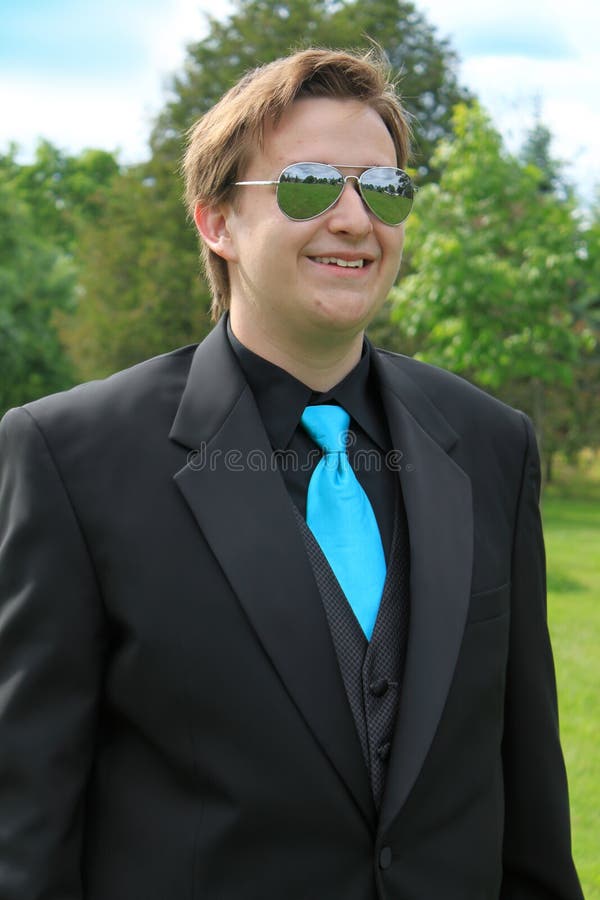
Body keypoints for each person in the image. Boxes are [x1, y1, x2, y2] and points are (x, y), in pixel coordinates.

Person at [0, 47, 583, 900]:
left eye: (384, 190)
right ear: (216, 223)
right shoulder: (68, 456)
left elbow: (529, 794)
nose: (354, 219)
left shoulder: (494, 445)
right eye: (310, 185)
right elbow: (26, 828)